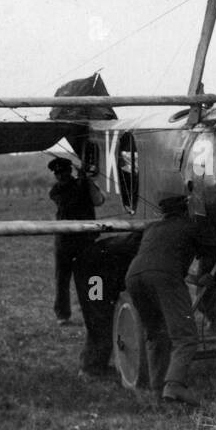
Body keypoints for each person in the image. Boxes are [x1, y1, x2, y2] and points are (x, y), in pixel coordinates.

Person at [124, 195, 216, 406]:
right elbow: (214, 249)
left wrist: (196, 279)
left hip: (134, 276)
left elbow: (160, 258)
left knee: (155, 334)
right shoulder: (190, 226)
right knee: (185, 336)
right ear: (185, 209)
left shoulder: (152, 228)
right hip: (164, 276)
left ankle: (157, 391)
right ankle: (174, 386)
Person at [72, 232, 144, 376]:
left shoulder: (140, 244)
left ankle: (93, 363)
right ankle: (90, 369)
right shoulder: (141, 247)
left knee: (101, 316)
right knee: (99, 317)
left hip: (102, 269)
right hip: (94, 274)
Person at [48, 156, 104, 325]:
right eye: (57, 173)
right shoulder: (55, 191)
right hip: (64, 240)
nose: (60, 176)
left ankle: (97, 309)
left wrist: (87, 181)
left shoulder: (83, 184)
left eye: (63, 172)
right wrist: (82, 182)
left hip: (85, 239)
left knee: (93, 276)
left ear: (69, 171)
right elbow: (68, 202)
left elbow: (99, 200)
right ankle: (62, 315)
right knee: (62, 279)